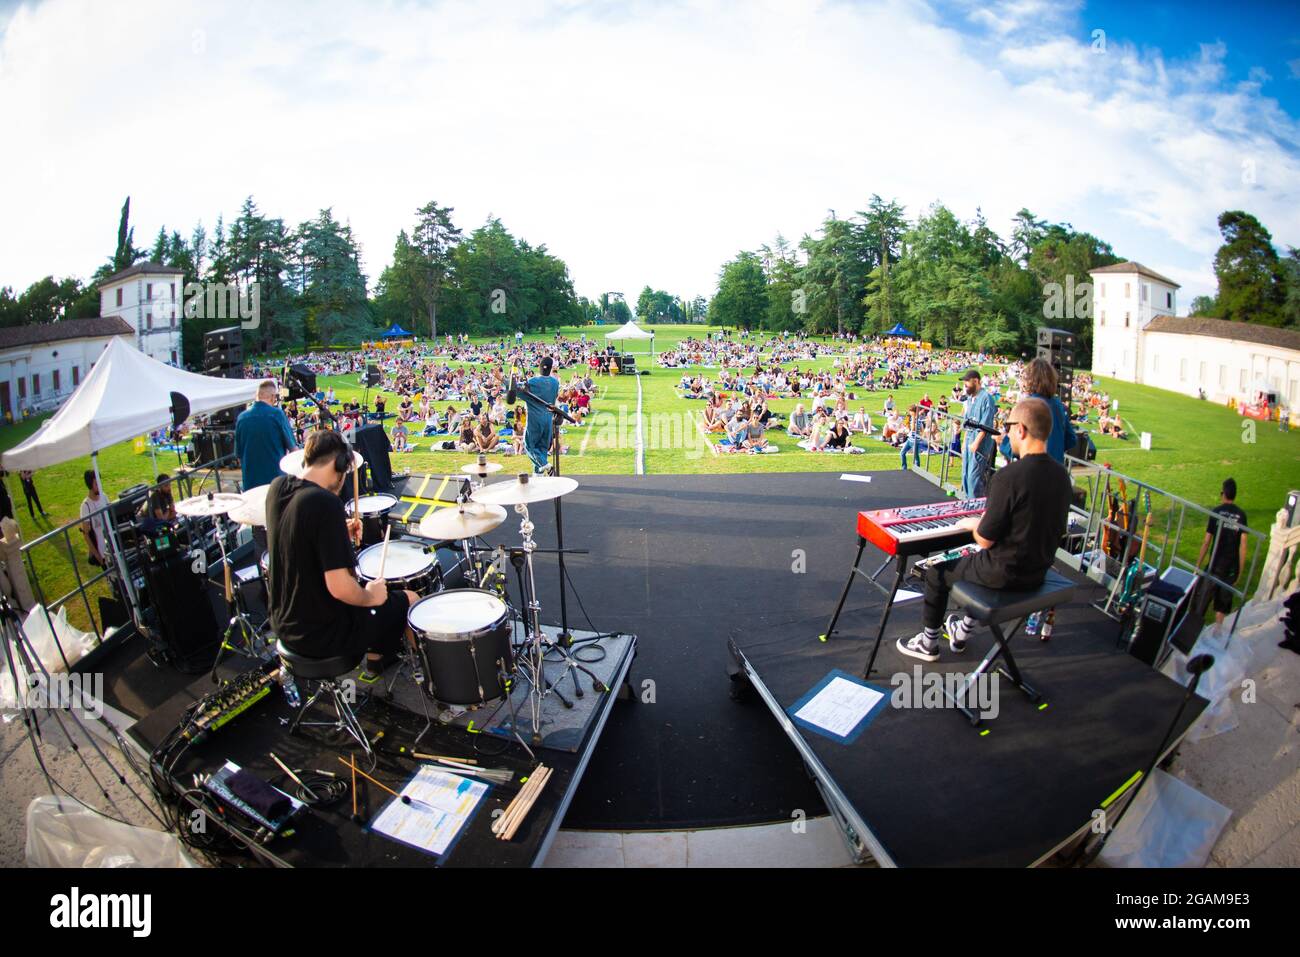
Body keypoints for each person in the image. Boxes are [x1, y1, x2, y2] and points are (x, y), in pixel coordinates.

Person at [898, 398, 1072, 662]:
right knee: (972, 558)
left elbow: (986, 539)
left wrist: (973, 523)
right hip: (1037, 572)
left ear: (1021, 430)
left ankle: (928, 643)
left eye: (1009, 425)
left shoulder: (1009, 477)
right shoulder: (1062, 476)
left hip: (1004, 573)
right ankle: (961, 631)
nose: (1006, 431)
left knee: (936, 571)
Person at [265, 429, 418, 668]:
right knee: (407, 598)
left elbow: (297, 540)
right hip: (320, 635)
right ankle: (423, 678)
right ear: (340, 465)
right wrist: (370, 596)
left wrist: (337, 532)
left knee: (383, 601)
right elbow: (340, 588)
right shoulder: (325, 503)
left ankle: (379, 656)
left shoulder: (277, 488)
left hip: (284, 623)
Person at [998, 358, 1077, 639]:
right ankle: (1042, 620)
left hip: (1027, 482)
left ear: (1029, 379)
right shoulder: (1060, 408)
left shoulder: (1026, 407)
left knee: (1011, 545)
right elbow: (1071, 441)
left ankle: (1003, 608)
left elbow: (1011, 447)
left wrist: (1002, 441)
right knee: (1046, 551)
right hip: (1055, 484)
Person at [1195, 478, 1249, 637]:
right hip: (1230, 568)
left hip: (1214, 566)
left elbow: (1206, 542)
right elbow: (1243, 545)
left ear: (1223, 493)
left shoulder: (1217, 512)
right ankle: (1217, 632)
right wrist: (1240, 570)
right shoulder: (1241, 515)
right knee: (1223, 603)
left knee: (1202, 600)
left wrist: (1198, 564)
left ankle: (1193, 631)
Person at [235, 380, 297, 492]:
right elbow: (293, 449)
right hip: (275, 482)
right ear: (273, 397)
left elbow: (239, 455)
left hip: (250, 483)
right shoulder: (276, 414)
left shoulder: (241, 418)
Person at [960, 368, 996, 500]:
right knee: (965, 475)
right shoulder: (970, 398)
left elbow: (985, 425)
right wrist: (965, 441)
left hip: (979, 443)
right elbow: (968, 423)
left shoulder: (986, 398)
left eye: (967, 383)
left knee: (973, 478)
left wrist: (976, 443)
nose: (965, 386)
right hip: (969, 439)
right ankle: (967, 505)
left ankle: (976, 510)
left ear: (976, 381)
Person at [521, 356, 560, 473]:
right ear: (551, 368)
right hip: (548, 419)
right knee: (542, 449)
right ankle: (537, 474)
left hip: (534, 420)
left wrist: (502, 379)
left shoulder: (532, 382)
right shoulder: (555, 382)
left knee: (529, 446)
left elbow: (516, 391)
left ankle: (545, 465)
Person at [78, 470, 115, 569]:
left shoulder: (104, 496)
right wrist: (98, 557)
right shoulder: (85, 506)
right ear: (90, 485)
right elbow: (86, 535)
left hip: (113, 547)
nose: (99, 486)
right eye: (96, 484)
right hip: (103, 553)